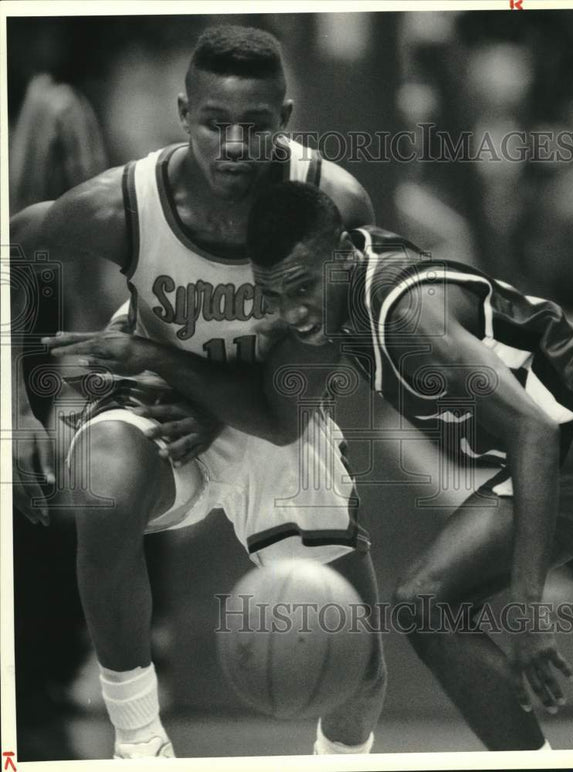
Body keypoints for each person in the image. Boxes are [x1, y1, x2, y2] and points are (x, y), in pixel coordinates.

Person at [49, 180, 573, 752]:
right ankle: (536, 760)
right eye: (274, 297)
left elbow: (532, 431)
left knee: (426, 602)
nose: (292, 313)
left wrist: (526, 611)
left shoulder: (404, 313)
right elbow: (280, 421)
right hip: (559, 453)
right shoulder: (337, 291)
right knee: (425, 603)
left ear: (342, 255)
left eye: (302, 288)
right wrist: (166, 368)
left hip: (572, 444)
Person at [12, 27, 387, 759]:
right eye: (215, 123)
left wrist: (175, 368)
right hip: (155, 404)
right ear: (185, 113)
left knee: (361, 665)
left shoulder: (335, 208)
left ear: (287, 116)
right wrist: (18, 405)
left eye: (256, 124)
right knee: (104, 486)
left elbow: (281, 418)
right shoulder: (125, 203)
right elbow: (20, 245)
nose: (236, 145)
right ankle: (140, 743)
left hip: (267, 414)